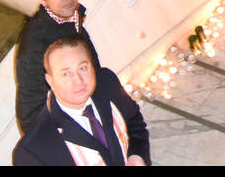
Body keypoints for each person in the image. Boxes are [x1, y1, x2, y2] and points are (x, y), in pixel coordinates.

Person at [13, 37, 150, 166]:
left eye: (83, 68)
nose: (78, 80)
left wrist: (136, 155)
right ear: (50, 81)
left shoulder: (106, 83)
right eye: (66, 74)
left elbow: (134, 123)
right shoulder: (31, 151)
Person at [14, 0, 100, 134]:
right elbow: (30, 109)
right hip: (74, 121)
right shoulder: (35, 44)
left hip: (92, 106)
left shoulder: (69, 15)